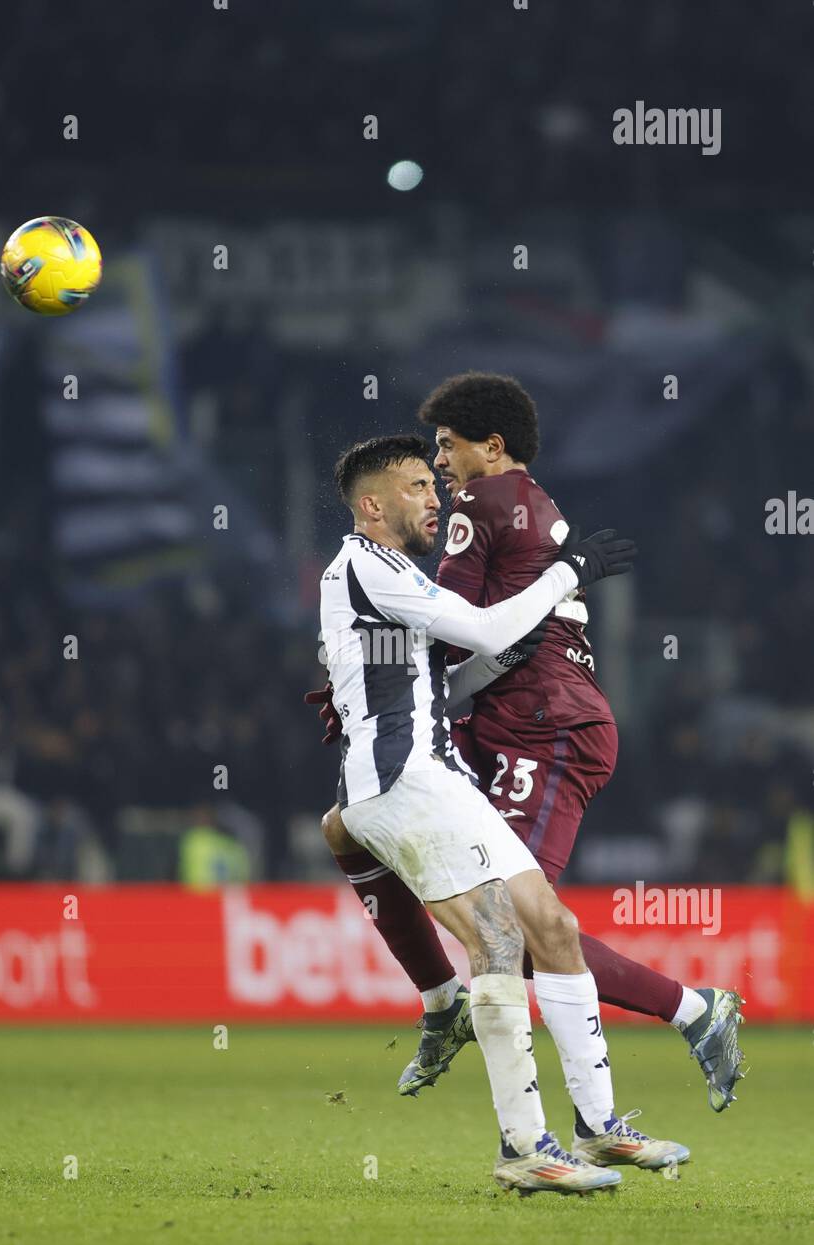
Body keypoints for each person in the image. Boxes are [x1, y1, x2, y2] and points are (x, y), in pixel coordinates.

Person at [308, 375, 744, 1155]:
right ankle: (460, 1016)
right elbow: (454, 637)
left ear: (491, 446)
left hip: (536, 722)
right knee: (350, 825)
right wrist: (369, 673)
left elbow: (466, 633)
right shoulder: (527, 500)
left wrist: (370, 673)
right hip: (517, 714)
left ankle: (667, 1033)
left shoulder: (481, 504)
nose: (440, 469)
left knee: (524, 929)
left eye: (444, 449)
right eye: (425, 464)